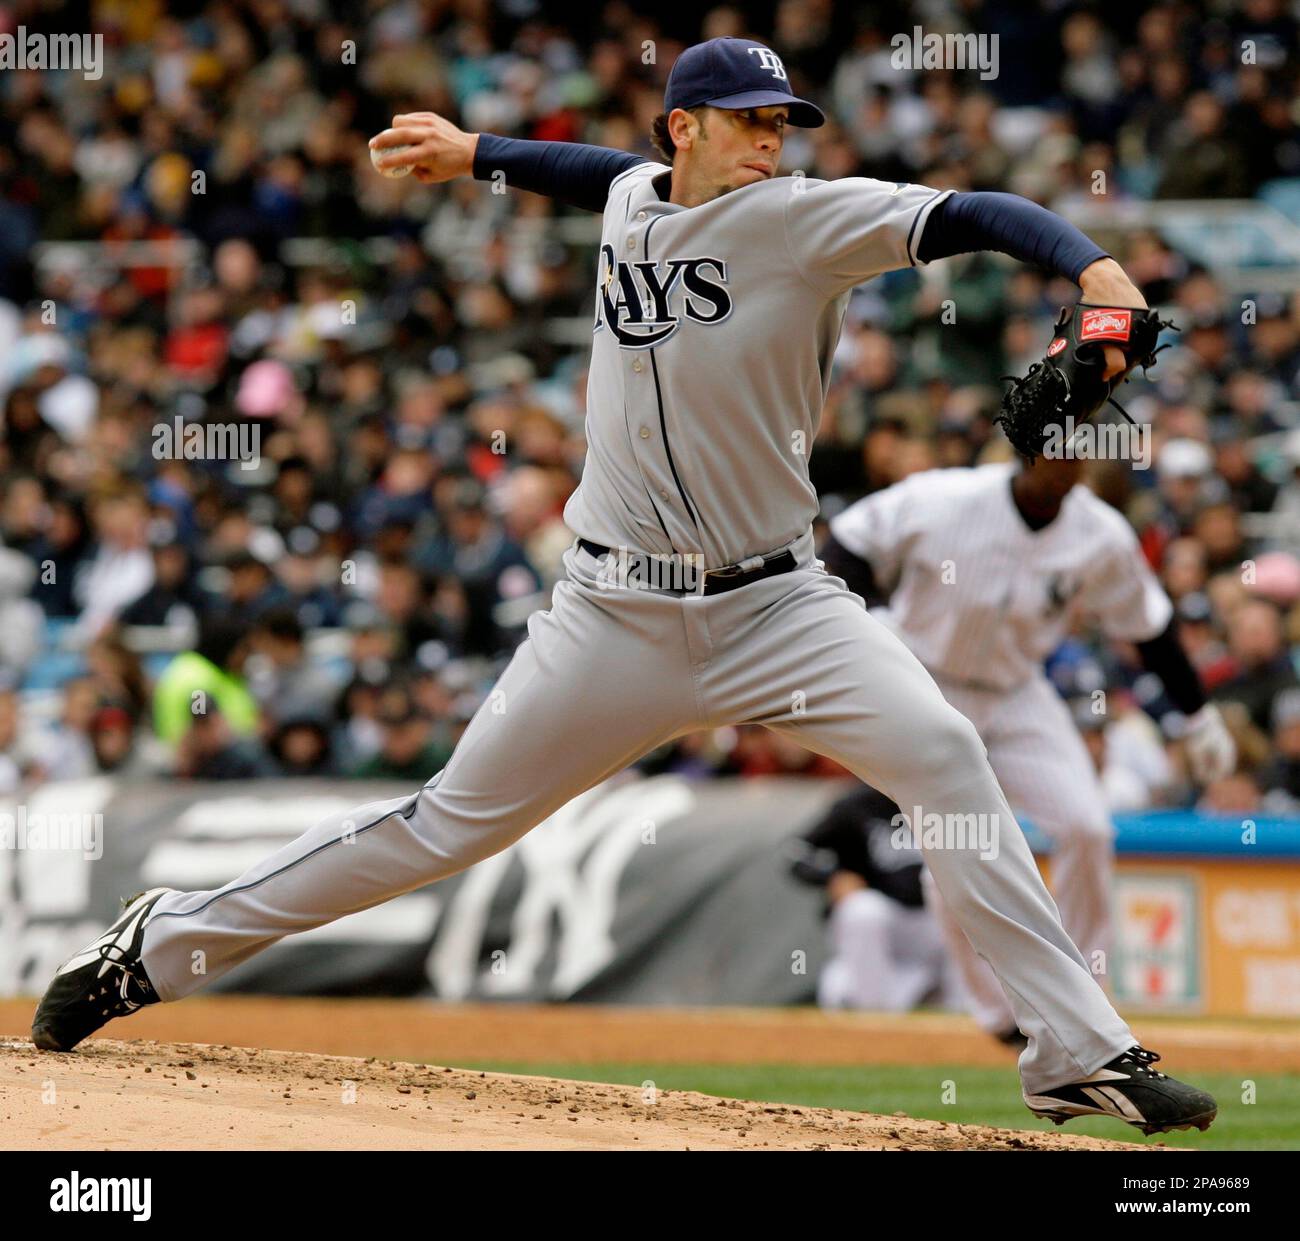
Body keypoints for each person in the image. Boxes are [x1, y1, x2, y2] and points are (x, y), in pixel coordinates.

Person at [32, 37, 1215, 1136]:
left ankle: (1074, 1046)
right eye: (746, 119)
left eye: (783, 119)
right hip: (612, 615)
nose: (771, 137)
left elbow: (976, 213)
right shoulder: (634, 197)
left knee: (949, 756)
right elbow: (599, 172)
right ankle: (163, 940)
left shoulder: (802, 220)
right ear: (680, 132)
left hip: (778, 606)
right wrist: (478, 152)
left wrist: (1096, 267)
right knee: (445, 826)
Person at [823, 452, 1236, 1048]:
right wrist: (874, 619)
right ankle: (995, 1014)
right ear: (1026, 453)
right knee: (949, 858)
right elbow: (849, 542)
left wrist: (1196, 715)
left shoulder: (1100, 533)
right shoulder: (946, 497)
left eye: (1076, 453)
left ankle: (1082, 1000)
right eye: (1054, 452)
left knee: (1087, 826)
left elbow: (1149, 626)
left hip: (1019, 691)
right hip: (927, 682)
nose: (1066, 466)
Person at [787, 785, 959, 1013]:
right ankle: (871, 1016)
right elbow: (795, 851)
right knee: (862, 910)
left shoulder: (943, 801)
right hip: (884, 921)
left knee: (966, 911)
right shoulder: (857, 805)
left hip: (931, 924)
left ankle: (968, 1015)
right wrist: (831, 876)